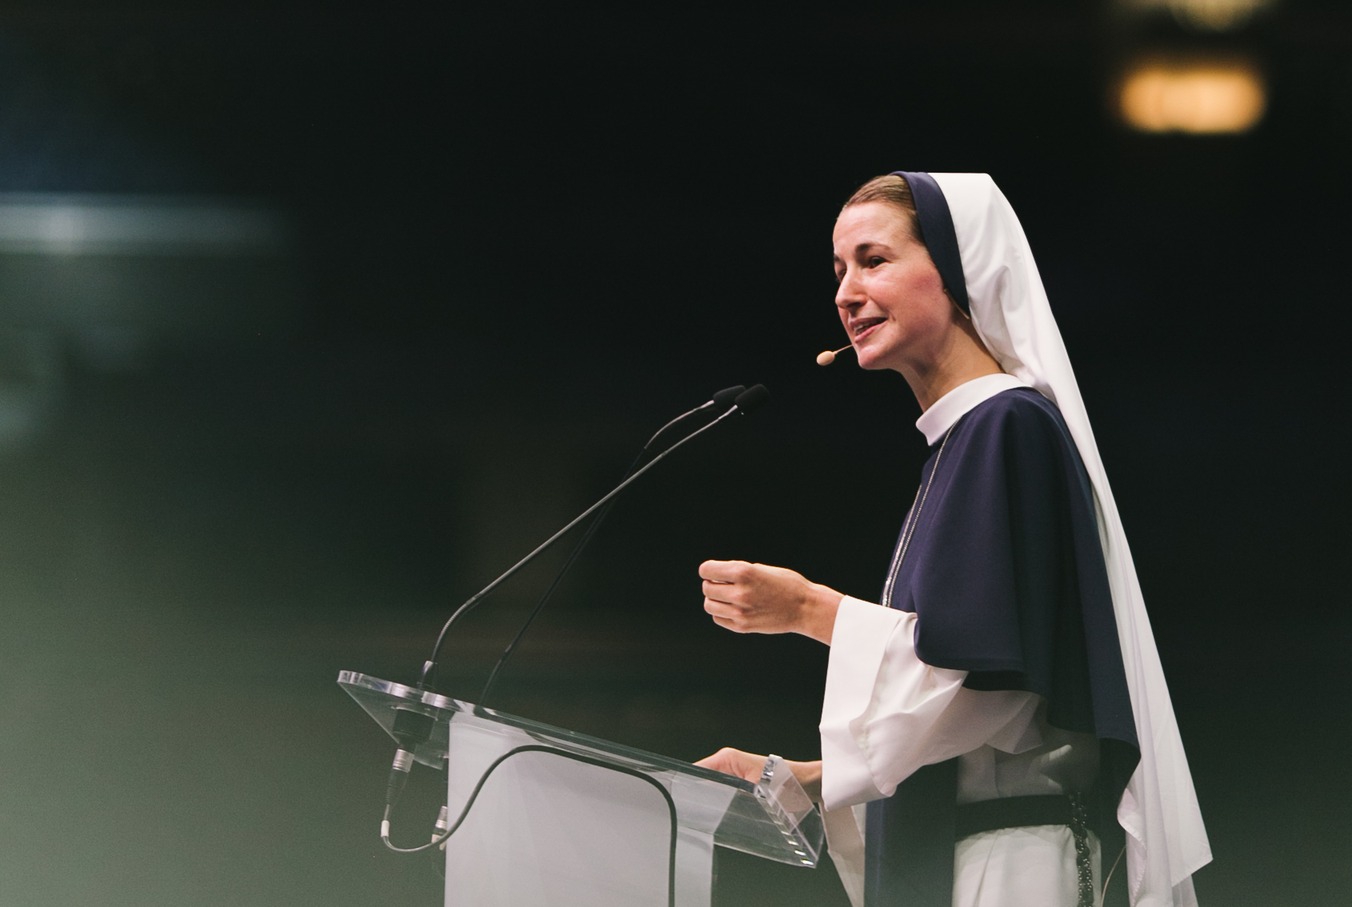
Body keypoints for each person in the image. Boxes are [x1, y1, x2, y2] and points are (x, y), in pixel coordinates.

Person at [695, 172, 1211, 907]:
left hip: (1017, 864)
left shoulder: (1006, 425)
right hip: (986, 851)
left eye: (874, 260)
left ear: (960, 271)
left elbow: (992, 681)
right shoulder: (964, 441)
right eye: (839, 271)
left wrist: (809, 608)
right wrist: (803, 779)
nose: (845, 293)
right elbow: (965, 713)